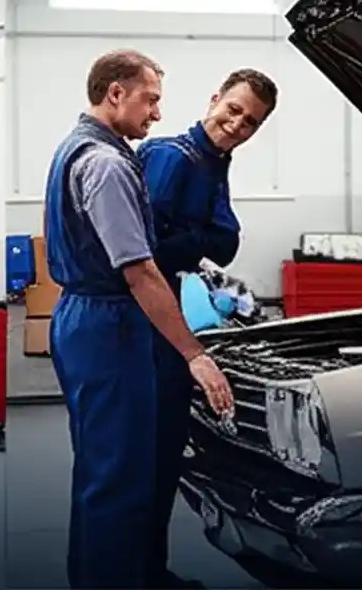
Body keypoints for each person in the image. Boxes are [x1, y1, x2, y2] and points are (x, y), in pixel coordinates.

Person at [42, 49, 236, 590]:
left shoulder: (79, 148)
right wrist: (195, 354)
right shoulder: (105, 165)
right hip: (108, 323)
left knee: (105, 471)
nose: (155, 115)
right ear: (115, 93)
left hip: (90, 316)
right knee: (118, 479)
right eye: (150, 100)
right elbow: (141, 273)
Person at [136, 67, 277, 588]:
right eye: (234, 109)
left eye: (252, 123)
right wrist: (195, 239)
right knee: (146, 458)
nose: (238, 124)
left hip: (167, 301)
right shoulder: (172, 157)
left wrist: (191, 238)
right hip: (144, 318)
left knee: (166, 454)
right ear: (214, 97)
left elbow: (227, 242)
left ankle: (150, 571)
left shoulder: (215, 162)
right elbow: (143, 253)